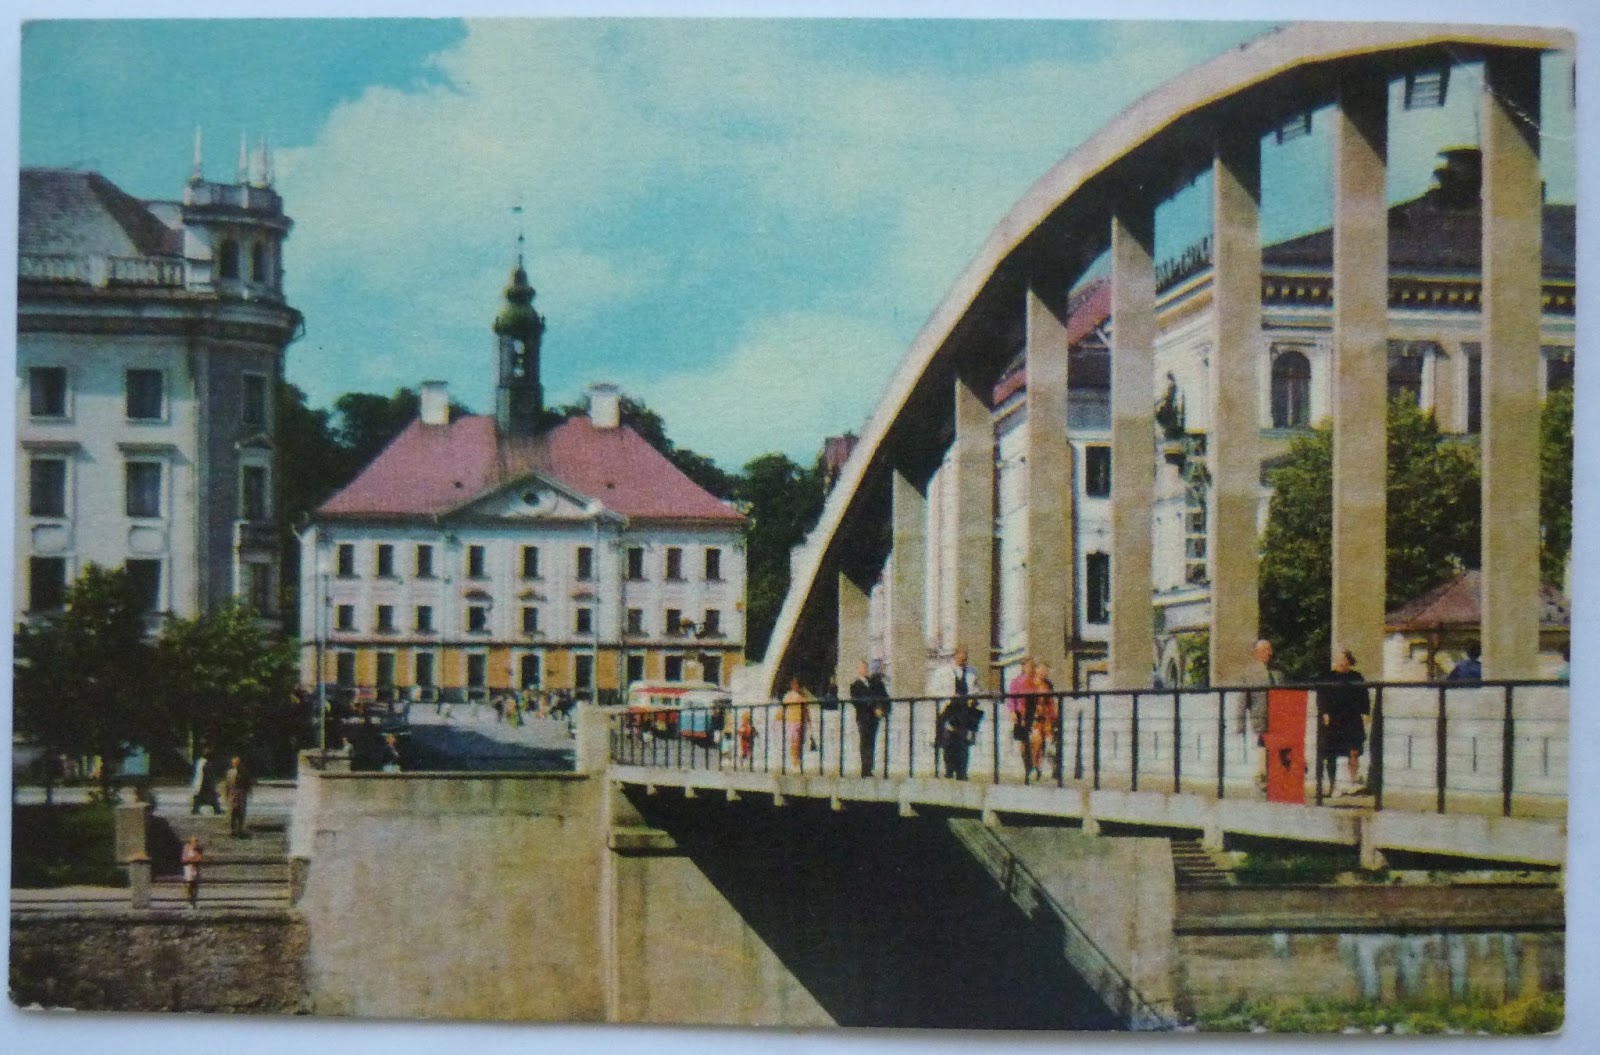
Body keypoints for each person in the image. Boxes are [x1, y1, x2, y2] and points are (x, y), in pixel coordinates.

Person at [1317, 649, 1370, 796]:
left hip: (1352, 718)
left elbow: (1363, 696)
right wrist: (1325, 712)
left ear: (1348, 660)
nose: (1340, 662)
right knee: (1331, 753)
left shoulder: (1356, 677)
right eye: (1338, 659)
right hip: (1334, 719)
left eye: (1343, 659)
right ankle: (1332, 785)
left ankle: (1353, 782)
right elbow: (1322, 697)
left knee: (1354, 750)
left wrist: (1366, 712)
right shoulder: (1328, 677)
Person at [929, 648, 983, 777]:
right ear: (955, 657)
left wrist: (974, 697)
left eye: (965, 659)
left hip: (966, 710)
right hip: (949, 709)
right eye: (960, 658)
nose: (963, 661)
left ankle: (962, 771)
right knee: (948, 740)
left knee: (964, 740)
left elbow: (977, 688)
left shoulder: (972, 672)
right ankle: (949, 770)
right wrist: (950, 695)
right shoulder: (942, 672)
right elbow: (933, 690)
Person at [1238, 638, 1280, 794]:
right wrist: (1240, 723)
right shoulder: (1249, 673)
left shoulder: (1279, 671)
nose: (1268, 653)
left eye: (1269, 649)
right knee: (1263, 743)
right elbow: (1243, 699)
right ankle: (1261, 776)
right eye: (1264, 650)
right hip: (1260, 714)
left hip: (1279, 715)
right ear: (1256, 653)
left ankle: (1271, 777)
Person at [848, 660, 891, 778]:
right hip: (863, 717)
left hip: (873, 718)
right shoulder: (855, 685)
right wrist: (873, 707)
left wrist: (881, 709)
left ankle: (869, 767)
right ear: (858, 670)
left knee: (872, 741)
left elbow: (880, 695)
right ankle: (865, 769)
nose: (865, 670)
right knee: (865, 741)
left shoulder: (872, 683)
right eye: (863, 668)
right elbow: (858, 701)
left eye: (866, 668)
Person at [1007, 658, 1045, 783]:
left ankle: (1035, 766)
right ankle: (1026, 766)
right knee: (1023, 742)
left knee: (1036, 739)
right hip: (1020, 714)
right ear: (1023, 668)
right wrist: (1012, 712)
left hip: (1032, 713)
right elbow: (1011, 698)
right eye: (1028, 667)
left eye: (1032, 667)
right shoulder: (1016, 681)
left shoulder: (1036, 682)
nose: (1031, 669)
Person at [782, 678, 810, 770]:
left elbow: (806, 709)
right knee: (795, 741)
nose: (796, 686)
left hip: (800, 721)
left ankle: (797, 760)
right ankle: (795, 761)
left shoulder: (801, 696)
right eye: (794, 684)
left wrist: (808, 720)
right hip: (793, 721)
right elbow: (785, 709)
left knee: (800, 741)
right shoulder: (790, 696)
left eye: (797, 684)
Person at [223, 756, 251, 838]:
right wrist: (227, 794)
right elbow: (227, 785)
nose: (235, 764)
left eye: (236, 763)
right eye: (234, 763)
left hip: (239, 794)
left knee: (238, 813)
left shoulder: (243, 772)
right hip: (235, 794)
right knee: (234, 813)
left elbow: (247, 784)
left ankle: (238, 829)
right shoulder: (232, 772)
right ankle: (235, 830)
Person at [190, 750, 221, 816]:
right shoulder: (208, 765)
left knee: (199, 798)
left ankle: (195, 810)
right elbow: (209, 777)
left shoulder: (202, 763)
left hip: (202, 785)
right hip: (206, 785)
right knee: (212, 799)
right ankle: (217, 810)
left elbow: (199, 775)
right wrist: (212, 786)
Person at [181, 837, 204, 908]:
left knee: (195, 885)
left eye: (196, 842)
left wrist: (193, 859)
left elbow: (199, 858)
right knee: (189, 885)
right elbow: (184, 859)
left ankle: (194, 901)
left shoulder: (198, 849)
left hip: (195, 869)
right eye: (194, 842)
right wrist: (192, 859)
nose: (195, 843)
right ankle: (190, 901)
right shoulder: (186, 848)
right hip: (188, 869)